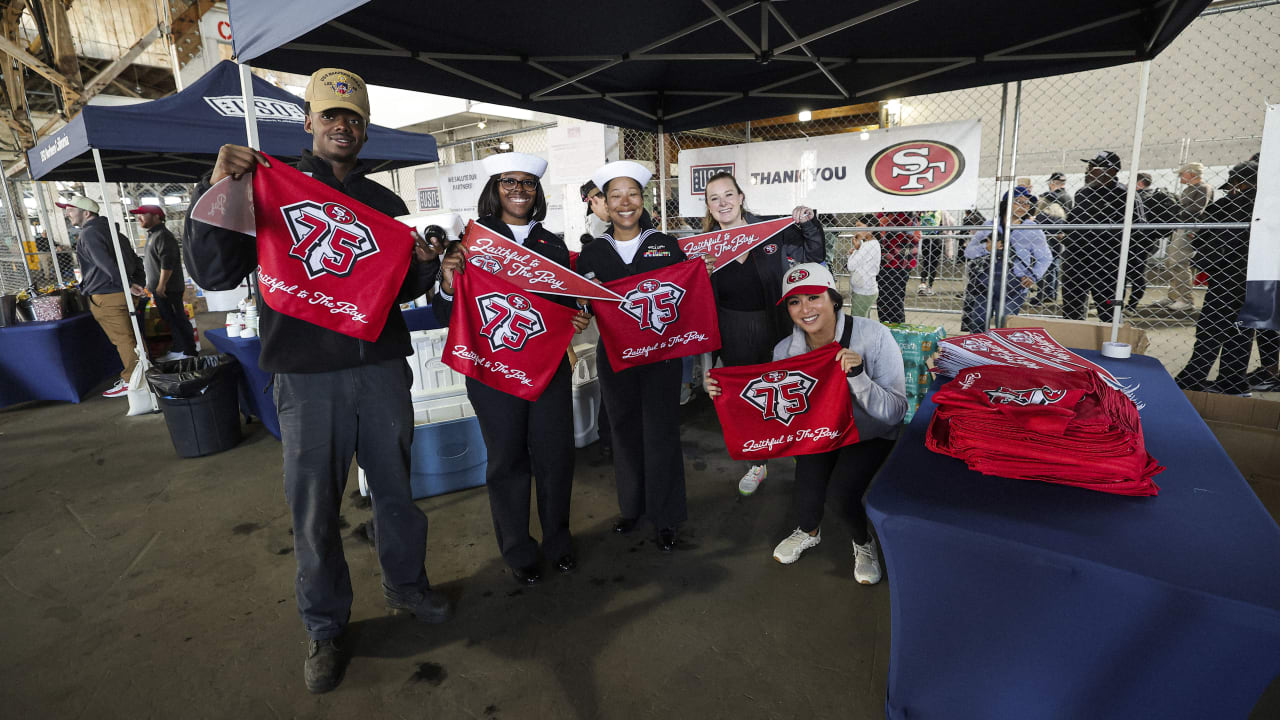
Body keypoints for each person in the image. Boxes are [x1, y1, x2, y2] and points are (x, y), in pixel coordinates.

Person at [183, 67, 449, 694]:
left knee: (396, 497)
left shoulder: (387, 204)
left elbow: (398, 290)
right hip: (305, 379)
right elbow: (213, 270)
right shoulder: (269, 186)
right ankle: (326, 626)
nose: (341, 125)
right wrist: (217, 185)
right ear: (307, 122)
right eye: (330, 114)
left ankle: (406, 586)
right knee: (314, 512)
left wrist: (427, 263)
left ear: (364, 129)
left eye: (353, 116)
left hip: (381, 369)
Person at [433, 152, 590, 586]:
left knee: (556, 458)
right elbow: (442, 308)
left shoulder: (553, 243)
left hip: (547, 368)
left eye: (527, 184)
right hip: (492, 369)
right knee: (507, 461)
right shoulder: (471, 239)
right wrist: (447, 281)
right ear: (494, 189)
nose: (519, 190)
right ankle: (519, 550)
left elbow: (565, 306)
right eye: (509, 183)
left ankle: (559, 541)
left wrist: (577, 316)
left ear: (537, 192)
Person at [705, 263, 906, 582]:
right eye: (794, 302)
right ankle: (809, 530)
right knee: (807, 492)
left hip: (868, 434)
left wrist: (858, 377)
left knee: (841, 495)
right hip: (820, 433)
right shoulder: (785, 350)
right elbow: (768, 406)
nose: (805, 309)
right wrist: (723, 391)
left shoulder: (874, 335)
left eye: (813, 297)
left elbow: (896, 411)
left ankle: (863, 541)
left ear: (833, 299)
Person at [576, 160, 694, 552]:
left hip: (661, 357)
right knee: (623, 432)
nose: (625, 203)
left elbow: (685, 296)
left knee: (661, 433)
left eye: (633, 194)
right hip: (615, 356)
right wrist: (580, 307)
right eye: (616, 196)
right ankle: (632, 508)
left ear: (643, 200)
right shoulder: (592, 254)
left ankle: (667, 517)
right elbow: (587, 308)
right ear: (605, 204)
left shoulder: (666, 245)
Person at [699, 171, 825, 496]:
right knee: (750, 403)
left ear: (741, 197)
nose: (723, 203)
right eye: (715, 198)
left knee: (792, 395)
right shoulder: (705, 250)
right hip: (734, 334)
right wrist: (706, 366)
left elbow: (814, 254)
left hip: (777, 329)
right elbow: (698, 310)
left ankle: (805, 459)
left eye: (728, 194)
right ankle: (758, 462)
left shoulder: (771, 232)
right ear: (709, 208)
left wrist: (808, 222)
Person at [1174, 161, 1259, 396]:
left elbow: (1206, 239)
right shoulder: (1266, 207)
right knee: (1241, 329)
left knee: (1211, 327)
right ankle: (1233, 382)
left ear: (1239, 184)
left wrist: (1204, 262)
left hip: (1227, 275)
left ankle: (1193, 378)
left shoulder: (1229, 206)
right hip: (1253, 276)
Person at [59, 195, 146, 397]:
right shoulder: (116, 233)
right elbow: (136, 261)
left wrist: (128, 284)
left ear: (86, 213)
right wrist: (136, 283)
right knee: (134, 339)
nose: (67, 213)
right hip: (123, 293)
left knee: (123, 340)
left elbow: (104, 264)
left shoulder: (89, 234)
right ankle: (144, 376)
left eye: (71, 209)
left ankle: (134, 381)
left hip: (108, 295)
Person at [1062, 151, 1146, 322]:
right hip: (1077, 262)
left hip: (1108, 265)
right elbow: (1073, 223)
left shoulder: (1125, 195)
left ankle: (1112, 343)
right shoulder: (1082, 193)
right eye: (1089, 167)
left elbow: (1138, 231)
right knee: (1072, 311)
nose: (1088, 171)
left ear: (1111, 171)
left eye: (1093, 167)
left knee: (1109, 311)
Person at [961, 187, 1052, 332]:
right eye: (1018, 202)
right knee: (977, 326)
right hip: (983, 283)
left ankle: (999, 353)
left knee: (1004, 328)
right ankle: (977, 352)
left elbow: (1045, 258)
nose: (1024, 206)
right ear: (1006, 204)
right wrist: (987, 248)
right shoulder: (989, 226)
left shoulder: (1032, 229)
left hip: (1014, 286)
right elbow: (968, 252)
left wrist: (1034, 276)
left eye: (1027, 203)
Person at [130, 204, 196, 362]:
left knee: (178, 317)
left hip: (168, 289)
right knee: (170, 319)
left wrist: (162, 285)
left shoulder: (163, 235)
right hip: (161, 288)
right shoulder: (153, 235)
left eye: (143, 214)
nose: (138, 218)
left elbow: (168, 263)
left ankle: (188, 351)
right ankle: (179, 348)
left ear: (156, 216)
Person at [1157, 162, 1214, 311]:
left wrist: (1175, 209)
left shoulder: (1203, 188)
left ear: (1191, 174)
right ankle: (1175, 296)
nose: (1180, 177)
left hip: (1190, 228)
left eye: (1182, 174)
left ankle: (1186, 299)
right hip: (1181, 227)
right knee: (1171, 262)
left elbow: (1196, 210)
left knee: (1179, 262)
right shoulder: (1190, 189)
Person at [1127, 173, 1178, 310]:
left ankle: (1128, 305)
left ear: (1140, 183)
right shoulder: (1154, 198)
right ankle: (1131, 304)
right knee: (1137, 271)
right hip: (1148, 241)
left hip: (1134, 240)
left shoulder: (1138, 198)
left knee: (1130, 272)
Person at [875, 211, 920, 324]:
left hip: (897, 262)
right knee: (885, 300)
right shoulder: (886, 214)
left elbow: (913, 237)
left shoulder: (903, 215)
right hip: (888, 262)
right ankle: (887, 327)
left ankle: (896, 330)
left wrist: (884, 221)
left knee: (893, 300)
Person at [846, 214, 881, 318]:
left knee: (857, 321)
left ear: (871, 228)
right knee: (863, 320)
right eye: (856, 226)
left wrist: (855, 251)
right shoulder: (867, 244)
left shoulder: (869, 245)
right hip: (864, 289)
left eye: (859, 226)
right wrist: (856, 249)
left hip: (864, 291)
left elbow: (851, 266)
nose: (856, 230)